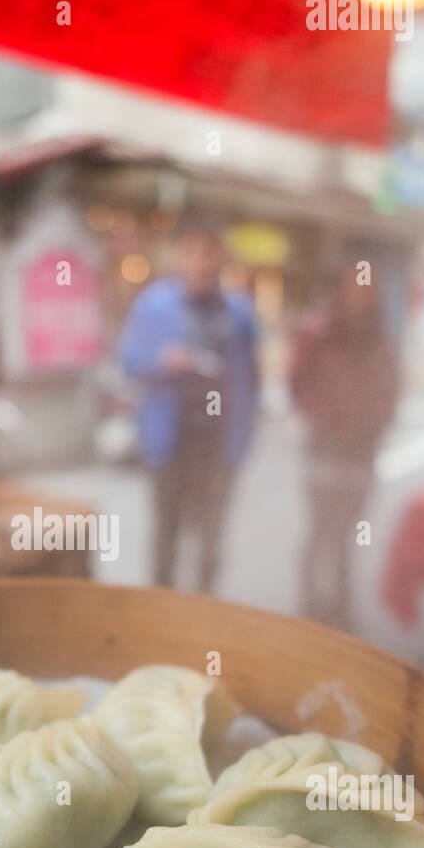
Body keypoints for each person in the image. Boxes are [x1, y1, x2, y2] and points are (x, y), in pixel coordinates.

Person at [118, 216, 259, 592]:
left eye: (210, 253)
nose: (202, 262)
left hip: (216, 444)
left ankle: (205, 618)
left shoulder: (239, 314)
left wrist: (242, 441)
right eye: (194, 253)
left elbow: (250, 381)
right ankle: (162, 615)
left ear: (221, 259)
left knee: (210, 541)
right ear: (181, 256)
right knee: (166, 534)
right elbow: (130, 363)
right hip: (170, 442)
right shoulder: (154, 306)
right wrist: (163, 362)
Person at [289, 252, 401, 630]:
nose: (362, 293)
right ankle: (309, 607)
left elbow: (391, 385)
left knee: (348, 535)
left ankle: (340, 609)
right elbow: (296, 382)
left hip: (362, 451)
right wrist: (324, 417)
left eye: (369, 286)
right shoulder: (318, 330)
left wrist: (378, 420)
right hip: (326, 448)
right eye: (356, 283)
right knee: (321, 530)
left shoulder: (380, 335)